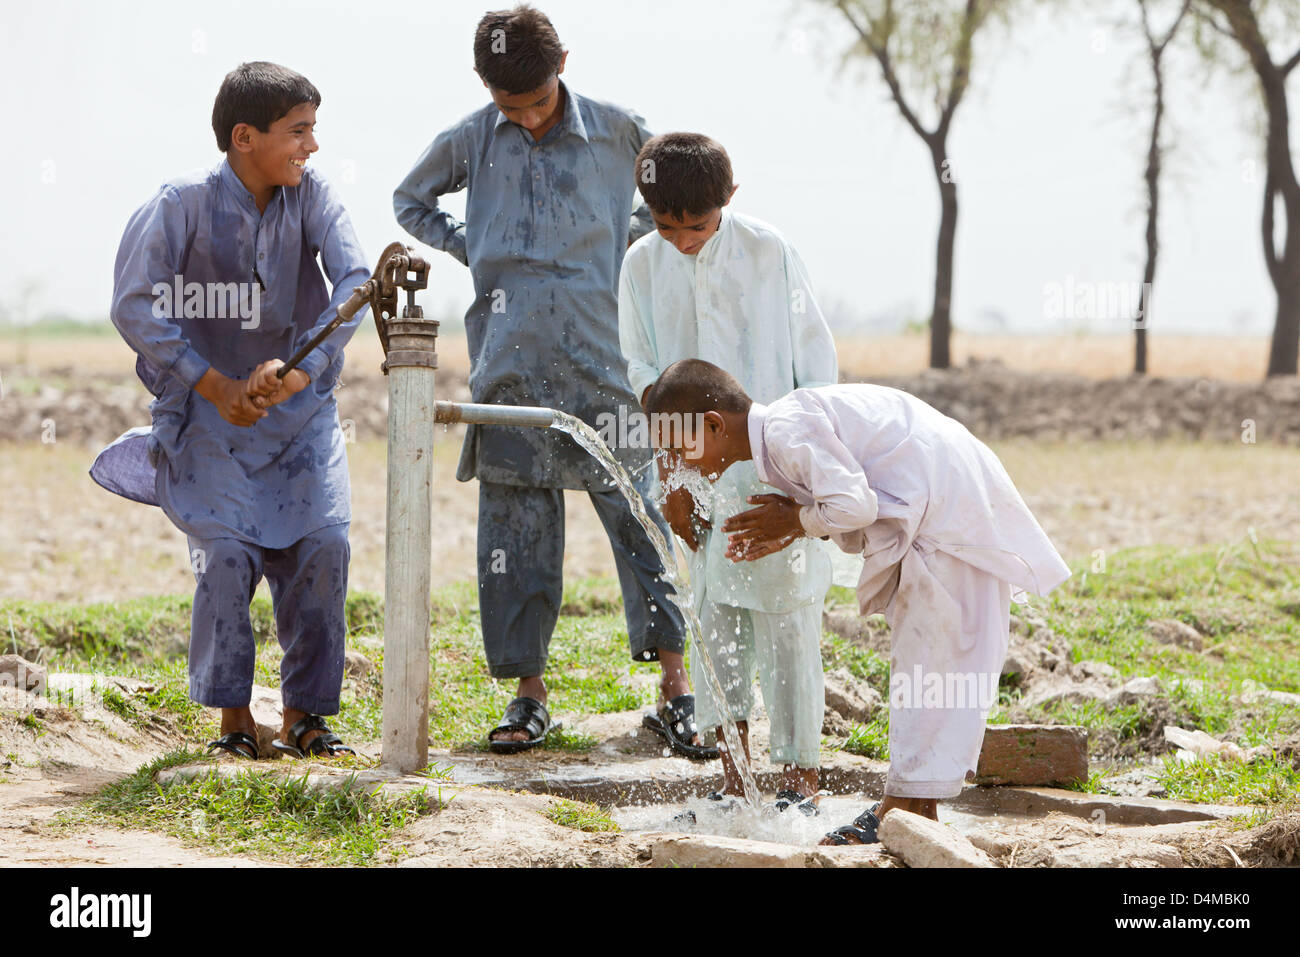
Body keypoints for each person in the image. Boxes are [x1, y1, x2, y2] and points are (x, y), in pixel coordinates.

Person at [392, 5, 712, 756]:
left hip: (610, 366)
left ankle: (678, 688)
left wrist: (622, 253)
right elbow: (410, 201)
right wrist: (476, 247)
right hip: (509, 367)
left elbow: (666, 205)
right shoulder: (471, 137)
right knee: (516, 533)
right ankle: (528, 695)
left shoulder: (620, 131)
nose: (528, 116)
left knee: (644, 520)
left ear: (563, 62)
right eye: (512, 105)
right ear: (484, 87)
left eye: (537, 99)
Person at [642, 359, 1072, 842]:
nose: (678, 466)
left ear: (715, 427)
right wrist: (795, 522)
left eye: (679, 450)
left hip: (945, 508)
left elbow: (857, 505)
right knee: (934, 666)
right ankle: (912, 811)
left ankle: (898, 810)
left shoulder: (784, 431)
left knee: (930, 663)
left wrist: (797, 522)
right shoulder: (781, 431)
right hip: (941, 499)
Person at [90, 61, 371, 761]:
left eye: (313, 130)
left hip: (300, 419)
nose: (311, 146)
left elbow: (358, 282)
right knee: (225, 555)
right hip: (211, 421)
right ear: (245, 137)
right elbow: (133, 302)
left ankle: (305, 716)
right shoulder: (178, 205)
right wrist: (211, 383)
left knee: (324, 547)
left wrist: (303, 370)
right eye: (298, 132)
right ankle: (235, 720)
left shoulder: (313, 200)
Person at [618, 133, 838, 810]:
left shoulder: (769, 252)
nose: (683, 241)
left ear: (729, 200)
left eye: (699, 226)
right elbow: (645, 377)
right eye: (667, 226)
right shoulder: (640, 266)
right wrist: (672, 481)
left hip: (778, 466)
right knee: (715, 620)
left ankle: (801, 782)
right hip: (695, 470)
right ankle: (735, 781)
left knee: (792, 626)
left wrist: (805, 478)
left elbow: (814, 365)